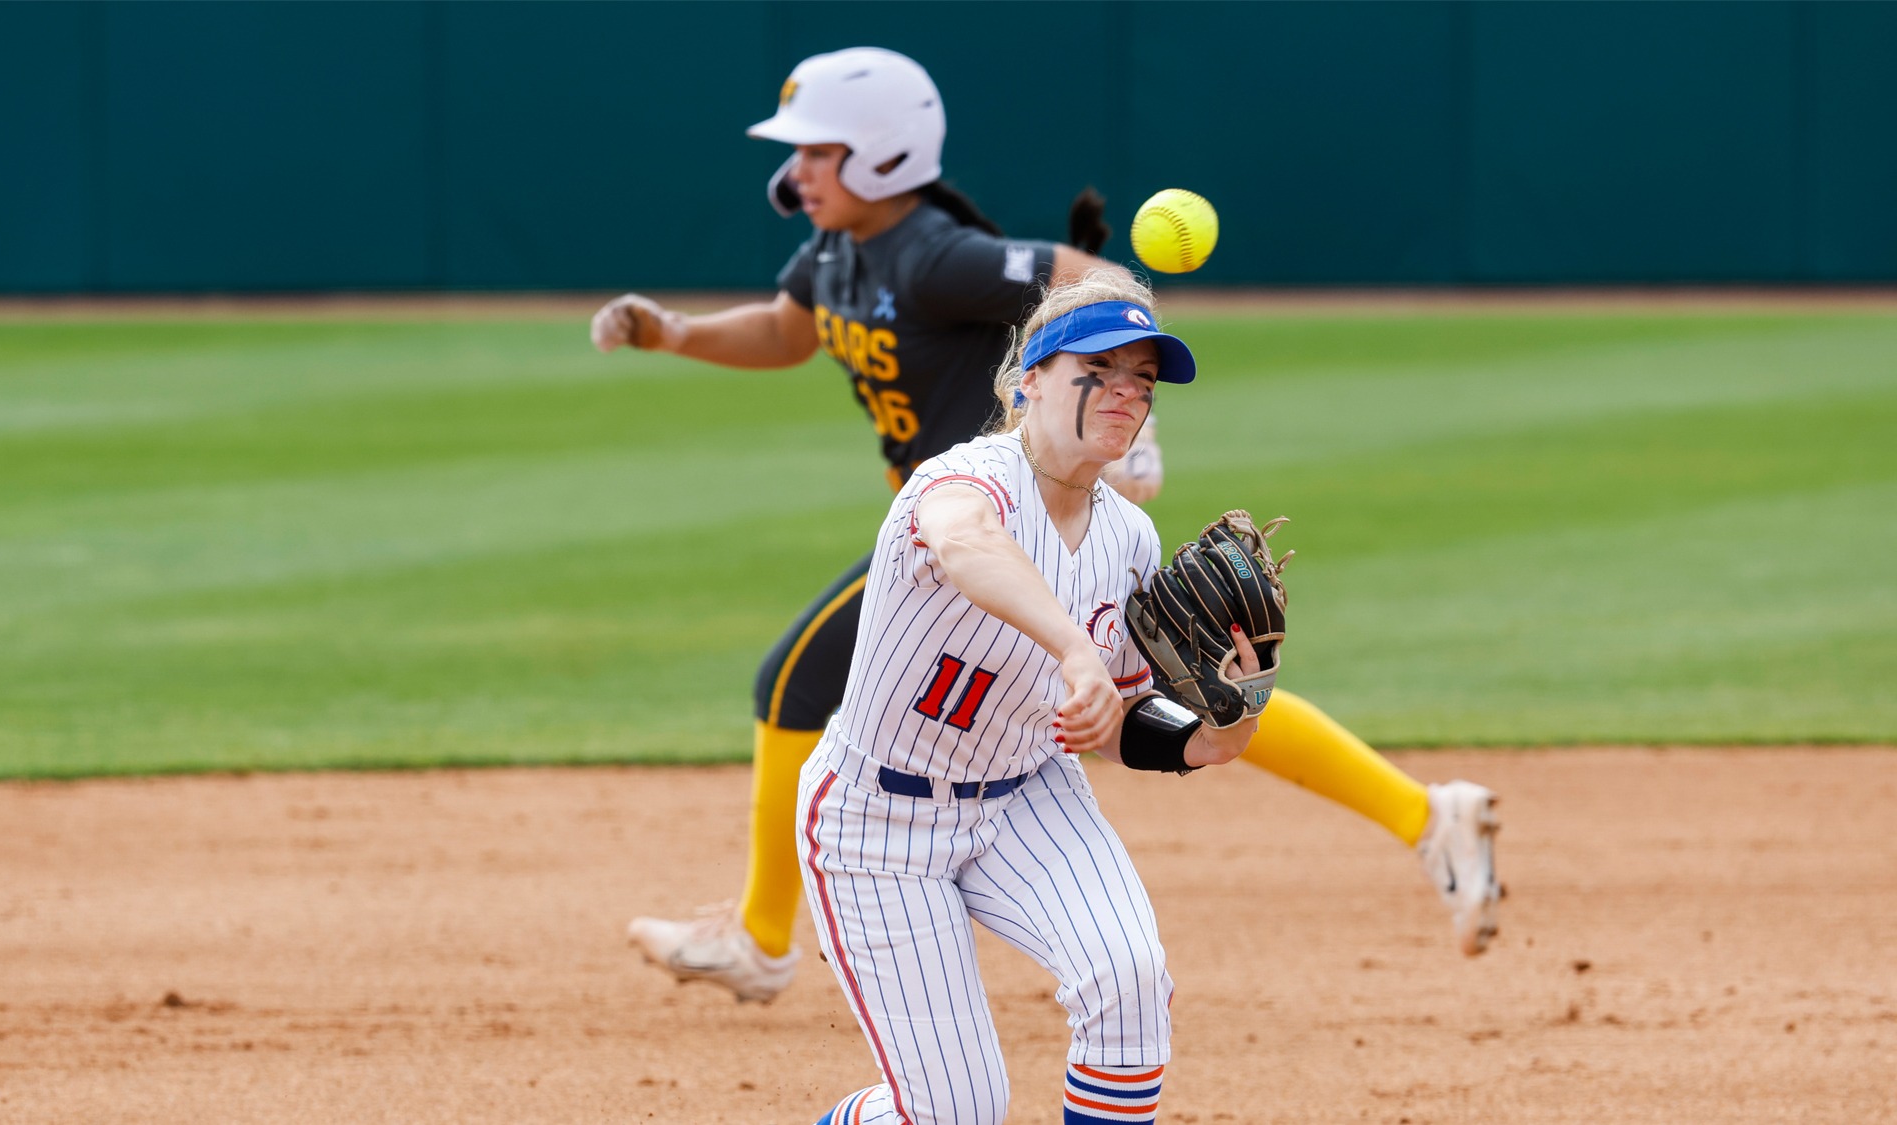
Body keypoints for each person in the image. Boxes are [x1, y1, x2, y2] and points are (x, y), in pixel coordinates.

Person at [594, 47, 1500, 1005]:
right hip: (954, 522)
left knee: (794, 678)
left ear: (883, 156)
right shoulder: (837, 252)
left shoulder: (938, 254)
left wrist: (1134, 427)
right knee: (1166, 680)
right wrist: (675, 331)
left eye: (820, 151)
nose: (798, 172)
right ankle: (1424, 814)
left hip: (991, 519)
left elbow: (1092, 276)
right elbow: (788, 328)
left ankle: (761, 938)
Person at [802, 269, 1250, 1125]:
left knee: (1128, 980)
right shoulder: (967, 478)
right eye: (1100, 369)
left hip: (1028, 797)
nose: (1125, 393)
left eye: (1142, 381)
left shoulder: (1130, 535)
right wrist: (1074, 647)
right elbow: (966, 542)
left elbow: (1118, 726)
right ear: (1029, 381)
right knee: (954, 1113)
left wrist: (1227, 725)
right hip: (875, 819)